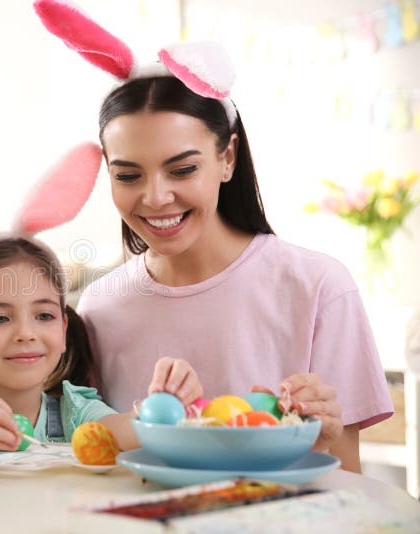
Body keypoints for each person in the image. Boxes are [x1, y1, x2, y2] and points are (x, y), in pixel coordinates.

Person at [33, 0, 393, 473]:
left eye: (182, 169)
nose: (156, 197)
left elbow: (346, 478)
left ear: (228, 157)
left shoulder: (319, 286)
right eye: (128, 176)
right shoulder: (100, 306)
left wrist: (322, 436)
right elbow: (93, 458)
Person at [0, 145, 203, 476]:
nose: (26, 333)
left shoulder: (76, 410)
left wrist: (165, 404)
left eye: (44, 316)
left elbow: (127, 430)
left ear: (63, 327)